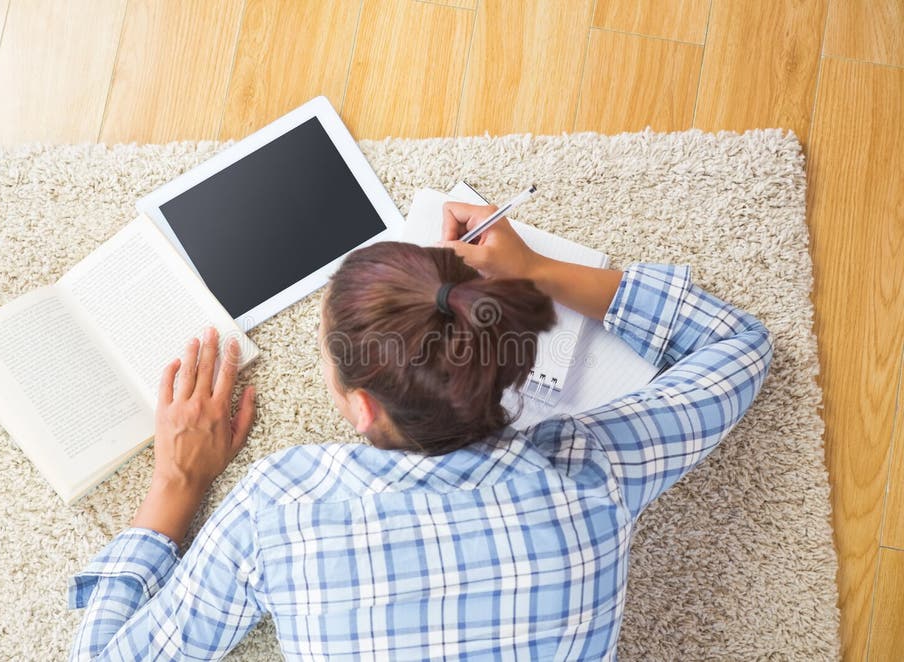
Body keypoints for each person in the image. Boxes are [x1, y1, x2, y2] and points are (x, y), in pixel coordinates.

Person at [68, 202, 774, 661]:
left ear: (364, 409)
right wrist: (535, 270)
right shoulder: (593, 472)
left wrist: (176, 481)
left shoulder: (285, 506)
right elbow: (737, 347)